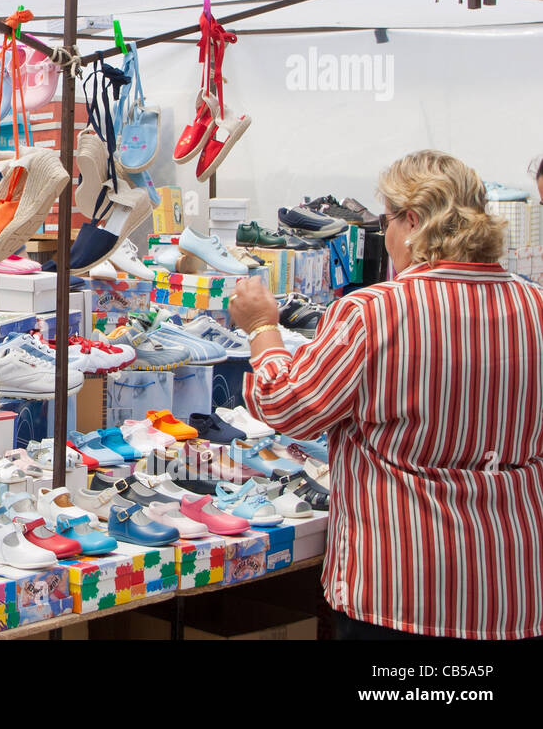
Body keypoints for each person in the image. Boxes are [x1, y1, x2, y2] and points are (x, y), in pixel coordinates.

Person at [229, 150, 543, 640]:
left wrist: (263, 329)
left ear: (414, 221)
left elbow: (287, 407)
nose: (386, 234)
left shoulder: (374, 312)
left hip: (400, 585)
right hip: (509, 588)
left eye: (386, 221)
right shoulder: (535, 306)